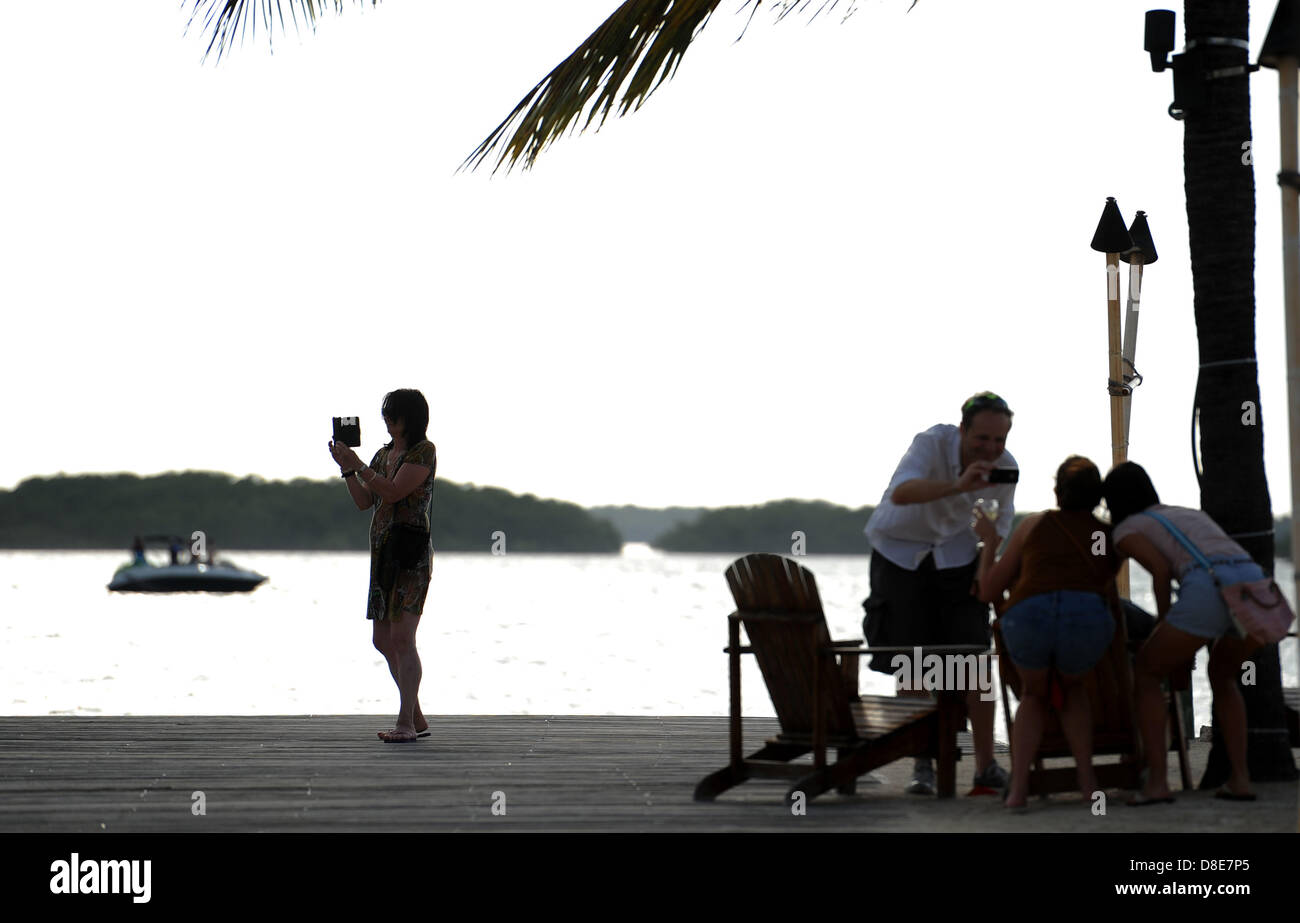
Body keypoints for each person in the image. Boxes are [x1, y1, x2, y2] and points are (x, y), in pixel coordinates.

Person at [863, 391, 1018, 794]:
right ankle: (923, 767)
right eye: (982, 439)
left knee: (974, 661)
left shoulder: (1006, 468)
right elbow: (902, 492)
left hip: (957, 557)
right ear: (963, 429)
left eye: (998, 441)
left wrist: (984, 574)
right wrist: (955, 486)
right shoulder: (930, 443)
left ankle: (986, 768)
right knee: (913, 661)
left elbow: (996, 530)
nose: (990, 449)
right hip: (900, 552)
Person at [1102, 461, 1263, 803]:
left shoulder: (1127, 528)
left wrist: (1163, 623)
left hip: (1209, 590)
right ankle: (1241, 779)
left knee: (1147, 672)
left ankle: (1157, 783)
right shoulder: (1184, 513)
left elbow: (1159, 572)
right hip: (1255, 589)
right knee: (1223, 676)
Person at [972, 456, 1119, 809]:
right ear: (1097, 495)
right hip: (1083, 619)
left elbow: (989, 590)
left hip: (1029, 616)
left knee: (1033, 696)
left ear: (1057, 492)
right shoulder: (1108, 535)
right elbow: (1101, 585)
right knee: (1073, 690)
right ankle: (1087, 785)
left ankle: (1019, 789)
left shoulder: (1034, 526)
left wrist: (990, 543)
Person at [329, 389, 438, 744]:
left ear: (409, 418)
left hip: (410, 555)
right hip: (383, 555)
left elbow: (392, 493)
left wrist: (359, 466)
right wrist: (348, 469)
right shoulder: (381, 455)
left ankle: (406, 721)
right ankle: (415, 713)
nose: (388, 423)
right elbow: (365, 501)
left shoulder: (423, 451)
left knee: (403, 637)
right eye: (385, 417)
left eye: (393, 416)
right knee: (382, 639)